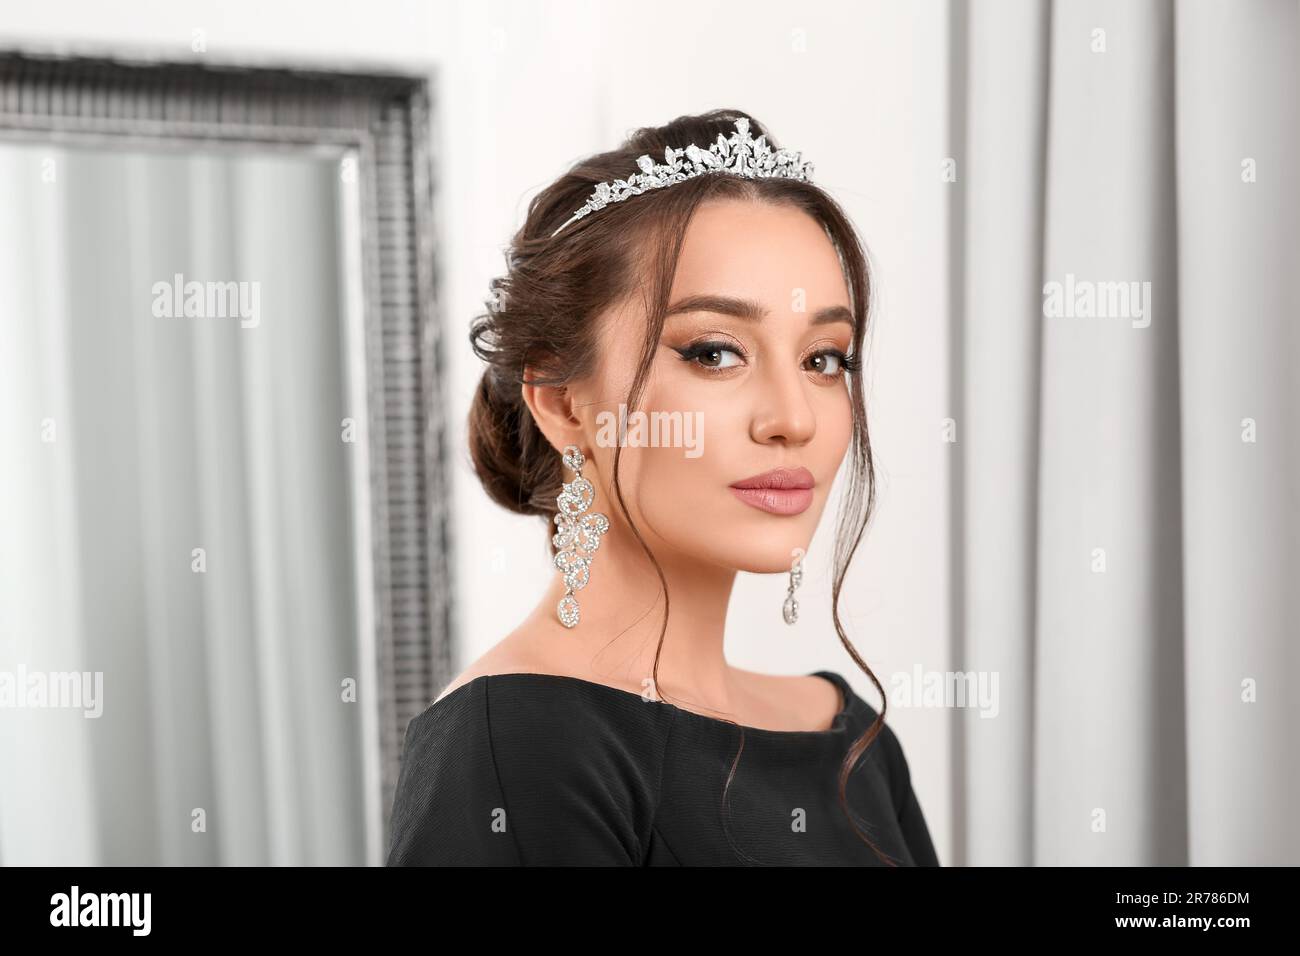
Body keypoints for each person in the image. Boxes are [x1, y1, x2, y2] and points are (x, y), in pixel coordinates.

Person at [386, 109, 939, 866]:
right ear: (561, 399)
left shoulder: (848, 737)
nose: (792, 419)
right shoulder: (515, 750)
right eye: (715, 352)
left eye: (824, 359)